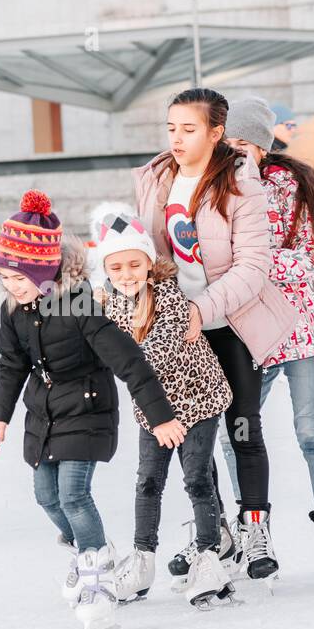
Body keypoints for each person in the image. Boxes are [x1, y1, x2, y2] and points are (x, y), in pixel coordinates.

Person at [0, 191, 182, 629]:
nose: (13, 286)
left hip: (89, 410)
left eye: (20, 277)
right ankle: (89, 547)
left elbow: (129, 360)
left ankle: (97, 577)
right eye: (6, 276)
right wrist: (0, 415)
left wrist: (160, 415)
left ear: (43, 270)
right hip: (44, 416)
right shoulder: (12, 311)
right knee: (46, 496)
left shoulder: (78, 306)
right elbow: (11, 365)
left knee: (74, 494)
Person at [133, 88, 299, 583]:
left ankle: (255, 530)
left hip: (230, 325)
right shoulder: (155, 178)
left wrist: (199, 311)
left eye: (189, 129)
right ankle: (213, 531)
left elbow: (253, 268)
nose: (177, 139)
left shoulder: (241, 187)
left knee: (243, 428)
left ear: (216, 132)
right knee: (191, 437)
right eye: (171, 129)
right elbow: (145, 251)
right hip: (176, 331)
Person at [223, 96, 314, 580]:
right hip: (252, 328)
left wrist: (246, 268)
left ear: (262, 146)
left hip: (300, 325)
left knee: (311, 429)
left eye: (245, 143)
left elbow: (294, 257)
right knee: (237, 429)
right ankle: (251, 524)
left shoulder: (287, 185)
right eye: (229, 142)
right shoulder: (220, 187)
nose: (237, 152)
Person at [92, 210, 236, 608]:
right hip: (154, 411)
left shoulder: (169, 296)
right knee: (147, 481)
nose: (126, 273)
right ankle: (142, 561)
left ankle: (209, 556)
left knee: (196, 479)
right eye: (116, 266)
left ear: (149, 262)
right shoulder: (105, 303)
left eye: (135, 264)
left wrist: (114, 361)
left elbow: (155, 357)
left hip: (197, 399)